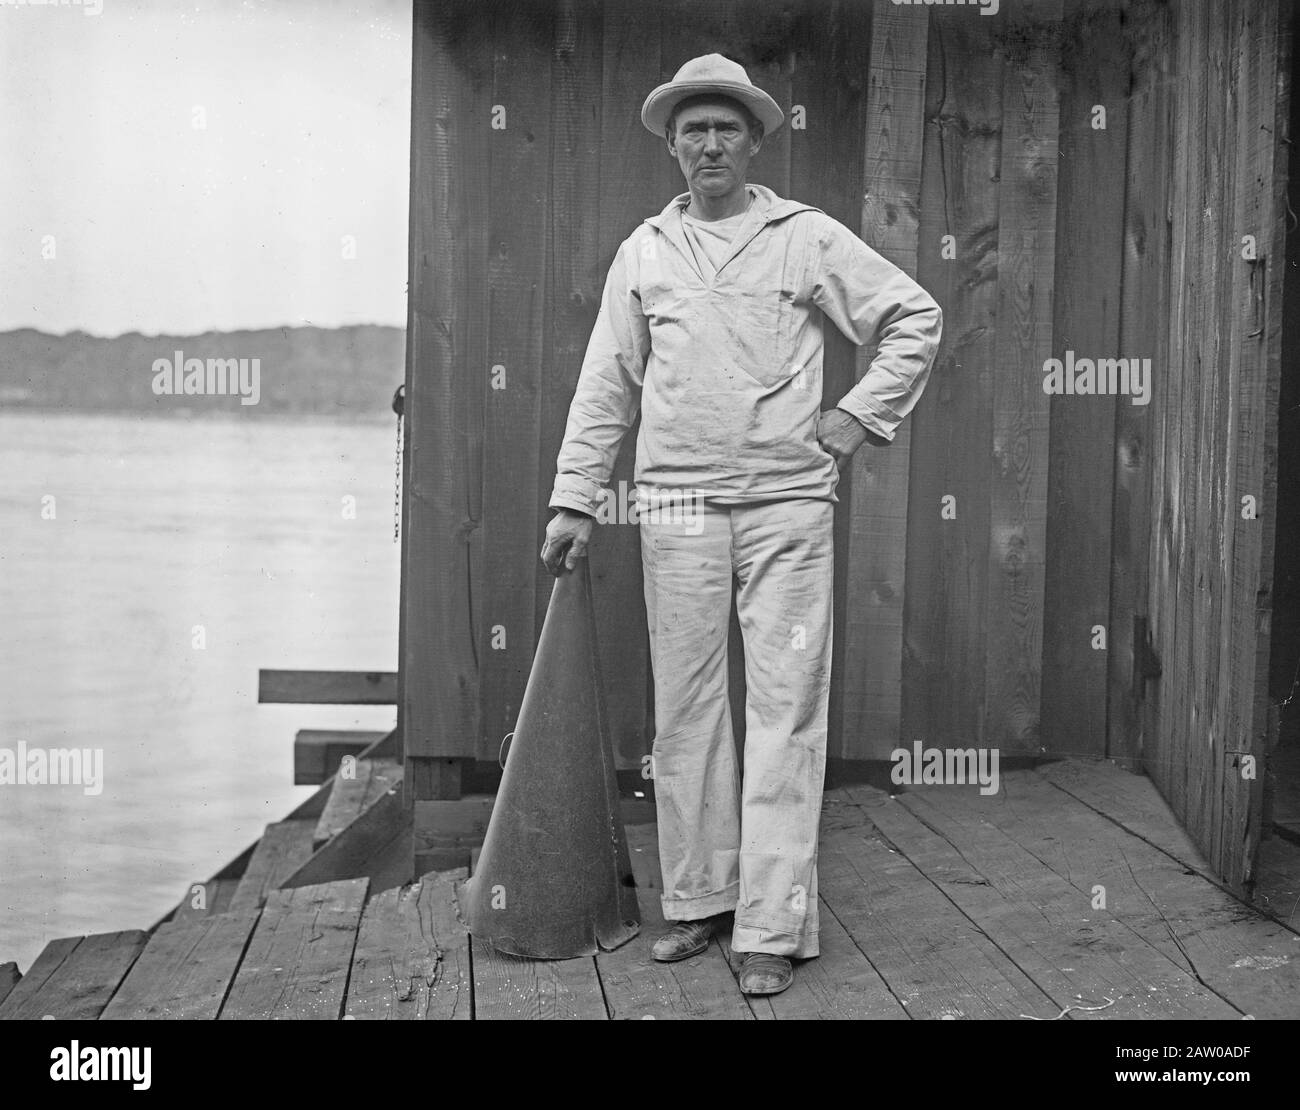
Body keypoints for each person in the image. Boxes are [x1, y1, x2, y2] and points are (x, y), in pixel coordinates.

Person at [540, 54, 942, 996]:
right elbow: (607, 383)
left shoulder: (804, 238)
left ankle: (772, 925)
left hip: (785, 503)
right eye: (695, 130)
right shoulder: (645, 251)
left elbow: (913, 317)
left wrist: (857, 416)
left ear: (755, 141)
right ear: (673, 147)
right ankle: (699, 899)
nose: (710, 144)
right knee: (684, 708)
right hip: (675, 505)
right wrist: (575, 498)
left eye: (727, 128)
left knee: (785, 707)